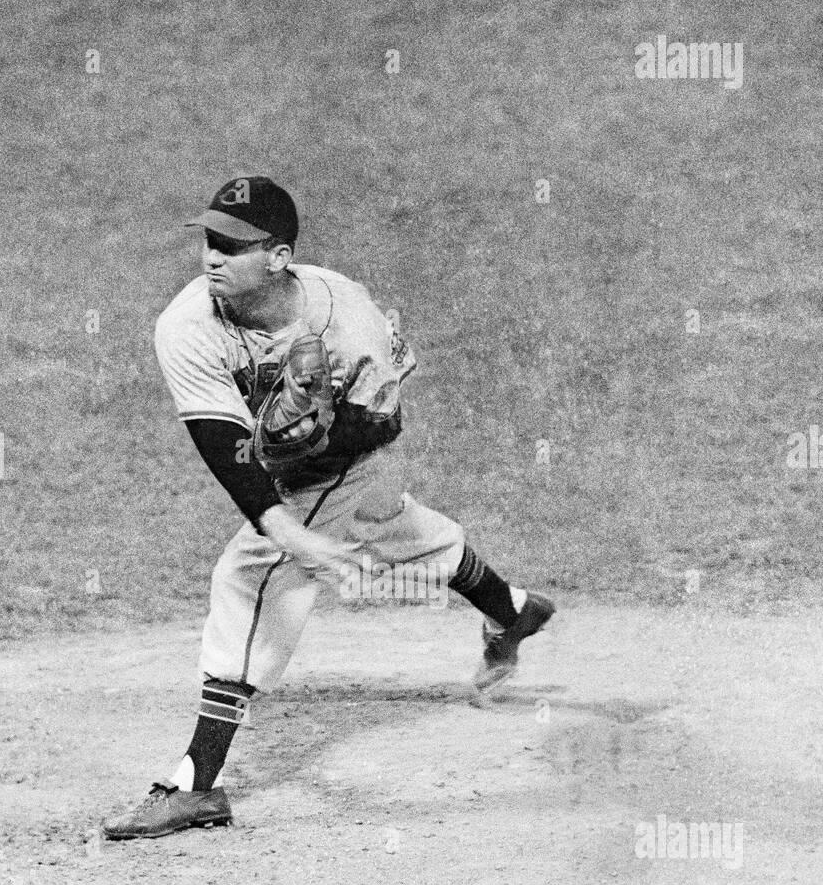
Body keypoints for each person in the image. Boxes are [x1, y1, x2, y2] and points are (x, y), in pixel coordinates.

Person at [103, 176, 554, 840]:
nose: (211, 258)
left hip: (355, 444)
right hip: (281, 461)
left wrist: (311, 461)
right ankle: (511, 611)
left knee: (252, 575)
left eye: (232, 246)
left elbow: (380, 426)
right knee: (386, 526)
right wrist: (282, 492)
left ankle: (196, 786)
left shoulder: (348, 321)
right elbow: (222, 444)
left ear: (279, 256)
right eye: (207, 241)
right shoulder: (187, 326)